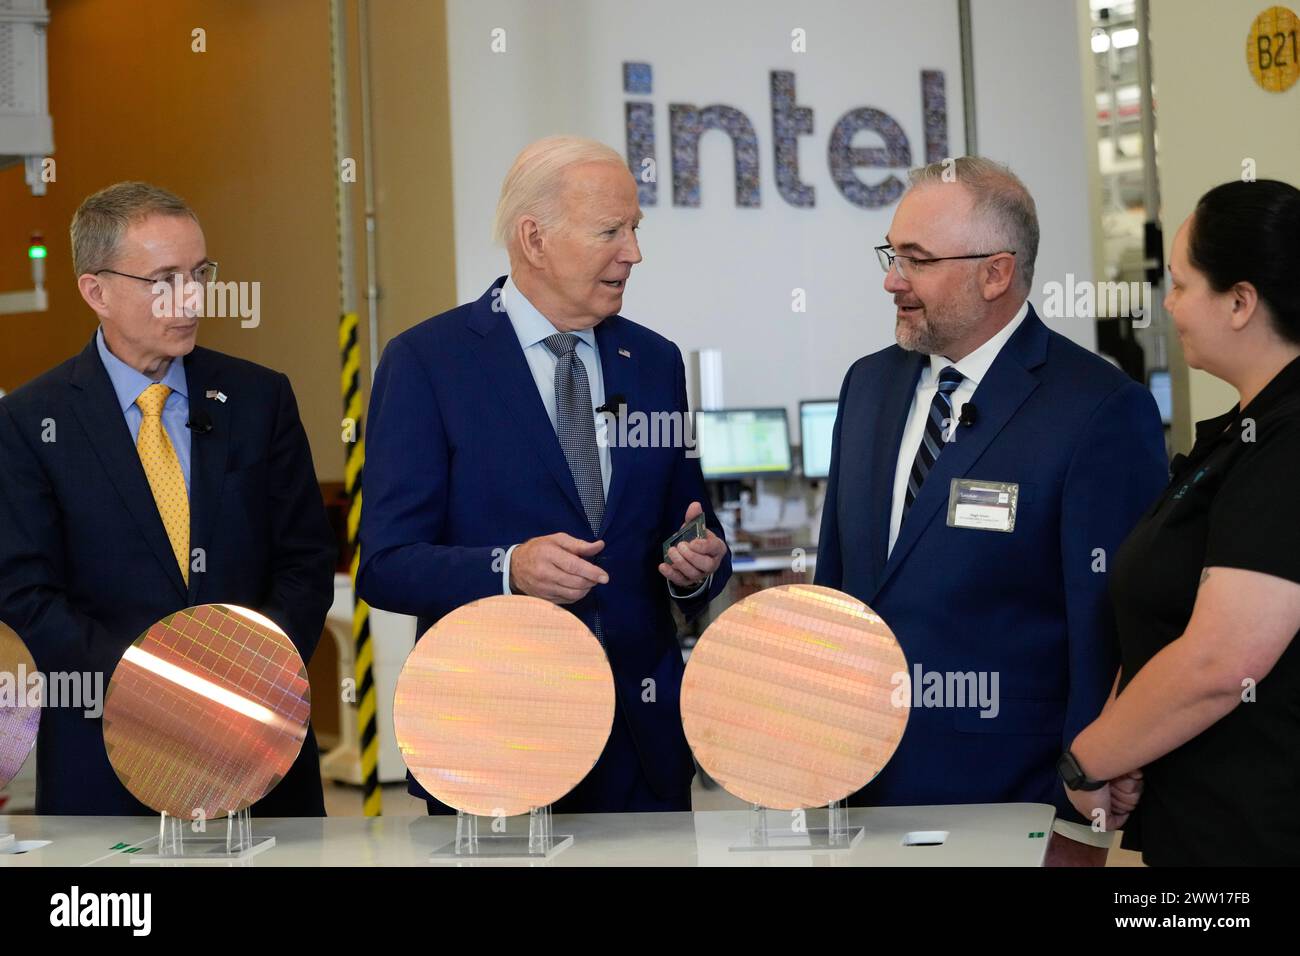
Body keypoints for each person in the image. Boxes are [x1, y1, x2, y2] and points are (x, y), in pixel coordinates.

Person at [358, 136, 731, 813]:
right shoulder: (428, 364)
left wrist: (698, 564)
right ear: (534, 239)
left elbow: (691, 522)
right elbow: (385, 565)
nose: (633, 253)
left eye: (635, 229)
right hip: (496, 742)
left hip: (641, 747)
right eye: (610, 231)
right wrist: (509, 568)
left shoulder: (654, 362)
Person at [814, 157, 1167, 849]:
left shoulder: (1098, 408)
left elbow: (1111, 615)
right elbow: (839, 580)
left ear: (996, 272)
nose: (892, 280)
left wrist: (1089, 769)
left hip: (1017, 797)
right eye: (892, 255)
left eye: (915, 260)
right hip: (859, 789)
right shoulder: (867, 386)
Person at [0, 182, 335, 815]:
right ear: (96, 291)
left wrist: (248, 681)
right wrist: (159, 691)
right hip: (107, 750)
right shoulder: (29, 422)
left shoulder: (259, 399)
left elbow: (304, 564)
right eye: (163, 279)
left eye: (199, 272)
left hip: (257, 741)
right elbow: (27, 595)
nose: (191, 297)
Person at [1066, 179, 1300, 865]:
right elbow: (1161, 616)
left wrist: (1087, 761)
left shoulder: (1287, 445)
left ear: (1240, 302)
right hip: (1195, 829)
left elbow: (1222, 661)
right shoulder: (1239, 435)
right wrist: (1124, 739)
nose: (1168, 306)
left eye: (1180, 285)